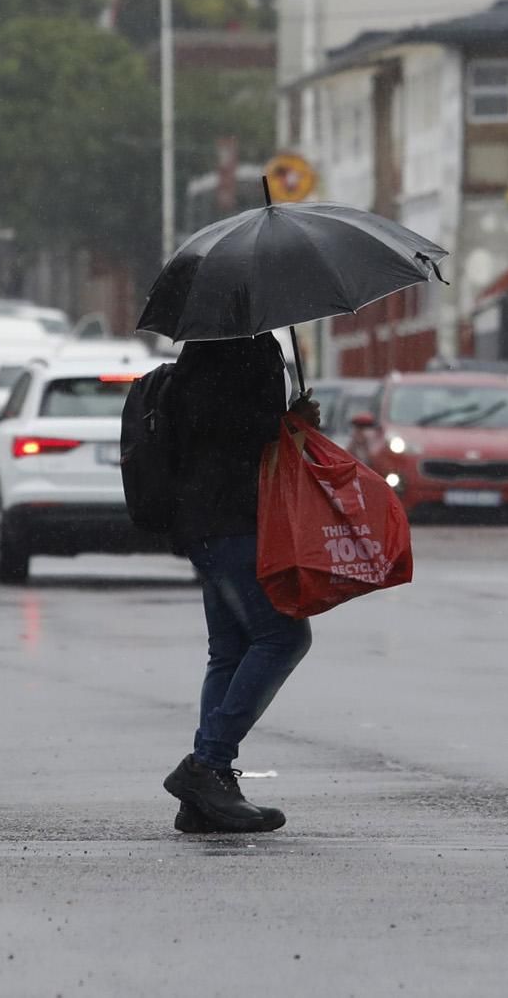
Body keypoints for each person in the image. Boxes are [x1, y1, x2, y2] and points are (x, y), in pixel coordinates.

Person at [160, 332, 314, 834]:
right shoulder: (229, 346)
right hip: (227, 518)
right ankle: (207, 765)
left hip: (212, 518)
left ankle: (207, 795)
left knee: (229, 650)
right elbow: (217, 426)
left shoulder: (219, 343)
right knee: (284, 636)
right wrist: (285, 424)